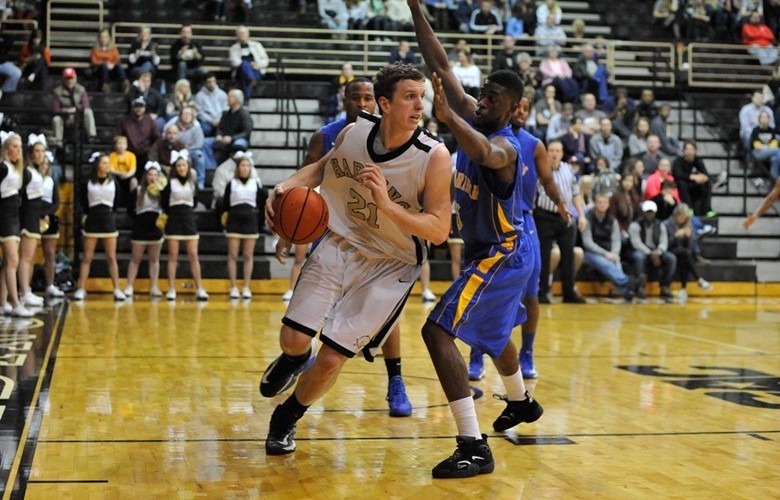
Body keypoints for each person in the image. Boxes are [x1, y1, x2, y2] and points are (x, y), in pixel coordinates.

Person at [261, 61, 451, 457]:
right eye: (410, 97)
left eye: (422, 97)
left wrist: (386, 205)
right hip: (342, 242)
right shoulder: (354, 131)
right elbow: (321, 168)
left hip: (392, 264)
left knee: (331, 358)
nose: (420, 105)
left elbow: (438, 230)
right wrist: (284, 189)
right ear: (385, 103)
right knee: (294, 338)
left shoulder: (433, 155)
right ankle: (295, 358)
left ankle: (287, 416)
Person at [408, 1, 542, 478]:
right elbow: (440, 65)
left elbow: (483, 151)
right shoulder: (472, 114)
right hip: (497, 250)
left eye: (492, 99)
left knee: (437, 331)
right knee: (492, 332)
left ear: (513, 108)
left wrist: (448, 119)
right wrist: (416, 9)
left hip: (505, 252)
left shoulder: (505, 146)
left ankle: (473, 445)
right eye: (481, 95)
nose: (482, 102)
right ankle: (522, 403)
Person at [469, 94, 571, 382]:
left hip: (524, 221)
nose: (523, 112)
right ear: (508, 108)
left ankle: (527, 353)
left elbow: (548, 180)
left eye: (527, 108)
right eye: (519, 107)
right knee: (482, 292)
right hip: (491, 220)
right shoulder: (487, 138)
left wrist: (561, 202)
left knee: (531, 293)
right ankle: (476, 355)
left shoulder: (534, 144)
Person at [536, 140, 588, 304]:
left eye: (557, 151)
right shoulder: (540, 168)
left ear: (562, 153)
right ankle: (542, 292)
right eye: (551, 150)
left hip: (565, 216)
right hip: (545, 215)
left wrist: (581, 215)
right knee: (544, 255)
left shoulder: (569, 170)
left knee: (568, 255)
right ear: (547, 152)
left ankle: (569, 293)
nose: (554, 153)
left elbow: (576, 194)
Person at [74, 153, 126, 301]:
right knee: (87, 257)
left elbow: (117, 203)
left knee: (111, 257)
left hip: (108, 220)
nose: (107, 166)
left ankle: (116, 289)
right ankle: (81, 288)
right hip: (93, 219)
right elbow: (83, 201)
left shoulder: (114, 182)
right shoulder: (87, 182)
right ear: (97, 165)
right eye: (104, 163)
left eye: (108, 163)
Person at [160, 150, 208, 301]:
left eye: (184, 165)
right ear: (175, 167)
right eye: (179, 165)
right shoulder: (170, 183)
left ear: (188, 167)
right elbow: (164, 204)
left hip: (188, 220)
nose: (181, 168)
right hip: (174, 220)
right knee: (173, 256)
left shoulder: (192, 183)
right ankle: (171, 289)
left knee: (193, 255)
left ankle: (199, 288)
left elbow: (195, 202)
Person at [0, 132, 33, 317]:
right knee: (13, 260)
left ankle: (2, 302)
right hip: (5, 216)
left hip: (13, 216)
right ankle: (15, 303)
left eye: (20, 147)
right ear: (6, 149)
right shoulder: (3, 168)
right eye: (14, 146)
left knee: (8, 262)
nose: (18, 150)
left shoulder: (17, 169)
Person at [221, 152, 262, 300]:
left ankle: (246, 287)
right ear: (238, 168)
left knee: (247, 255)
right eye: (242, 165)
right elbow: (224, 204)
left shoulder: (255, 184)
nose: (244, 168)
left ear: (250, 168)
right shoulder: (230, 184)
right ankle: (233, 287)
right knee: (232, 255)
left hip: (250, 220)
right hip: (234, 221)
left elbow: (261, 203)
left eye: (247, 165)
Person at [124, 161, 166, 298]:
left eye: (155, 175)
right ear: (145, 176)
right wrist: (138, 220)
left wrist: (163, 190)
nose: (152, 177)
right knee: (135, 259)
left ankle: (154, 287)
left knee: (154, 260)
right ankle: (129, 286)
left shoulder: (163, 191)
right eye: (150, 174)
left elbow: (167, 206)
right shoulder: (137, 191)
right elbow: (130, 209)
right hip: (140, 227)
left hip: (155, 228)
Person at [581, 193, 633, 302]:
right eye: (599, 202)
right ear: (595, 204)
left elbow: (616, 240)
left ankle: (626, 292)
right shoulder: (588, 219)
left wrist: (614, 254)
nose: (602, 205)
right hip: (589, 253)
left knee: (615, 260)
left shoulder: (612, 220)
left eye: (605, 202)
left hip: (609, 252)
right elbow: (588, 243)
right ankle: (627, 281)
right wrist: (605, 254)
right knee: (603, 262)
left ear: (609, 205)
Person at [17, 134, 47, 307]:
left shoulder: (36, 171)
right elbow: (19, 196)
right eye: (37, 151)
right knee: (26, 257)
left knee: (30, 257)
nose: (40, 154)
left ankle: (26, 290)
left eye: (42, 151)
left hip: (34, 217)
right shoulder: (27, 172)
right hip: (27, 217)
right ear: (30, 152)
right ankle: (24, 292)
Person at [628, 200, 677, 301]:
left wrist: (658, 252)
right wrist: (650, 253)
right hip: (642, 250)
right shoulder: (635, 225)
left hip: (656, 251)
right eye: (647, 212)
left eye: (651, 212)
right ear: (643, 212)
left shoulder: (661, 225)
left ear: (655, 213)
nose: (649, 214)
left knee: (671, 258)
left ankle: (665, 286)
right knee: (638, 257)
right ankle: (641, 286)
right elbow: (636, 243)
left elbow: (664, 242)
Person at [665, 202, 712, 304]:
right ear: (676, 215)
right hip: (669, 250)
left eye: (684, 216)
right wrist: (676, 236)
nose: (682, 218)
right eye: (680, 216)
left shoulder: (688, 225)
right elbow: (665, 244)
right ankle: (699, 280)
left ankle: (683, 289)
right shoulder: (667, 224)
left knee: (685, 257)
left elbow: (691, 246)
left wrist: (688, 237)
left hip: (683, 252)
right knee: (685, 255)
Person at [204, 89, 252, 166]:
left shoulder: (245, 115)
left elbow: (246, 132)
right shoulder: (225, 114)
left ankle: (237, 166)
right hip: (223, 138)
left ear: (237, 99)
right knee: (205, 143)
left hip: (237, 139)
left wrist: (232, 138)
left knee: (239, 144)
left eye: (230, 97)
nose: (227, 99)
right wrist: (218, 135)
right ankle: (211, 166)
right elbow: (220, 127)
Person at [38, 150, 63, 298]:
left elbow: (57, 202)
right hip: (33, 217)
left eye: (47, 164)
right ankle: (25, 288)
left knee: (50, 254)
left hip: (48, 218)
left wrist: (47, 214)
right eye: (42, 163)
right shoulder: (31, 177)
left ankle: (50, 285)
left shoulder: (51, 180)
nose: (44, 166)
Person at [51, 68, 97, 147]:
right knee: (56, 119)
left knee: (88, 111)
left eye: (71, 78)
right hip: (65, 117)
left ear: (75, 78)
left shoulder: (81, 89)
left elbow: (86, 105)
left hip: (78, 116)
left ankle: (92, 137)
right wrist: (66, 111)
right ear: (63, 79)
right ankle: (58, 143)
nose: (69, 81)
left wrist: (76, 109)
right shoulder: (57, 91)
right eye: (67, 78)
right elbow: (56, 109)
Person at [115, 96, 160, 174]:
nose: (138, 109)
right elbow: (117, 136)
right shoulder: (124, 121)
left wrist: (151, 151)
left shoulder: (149, 120)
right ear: (132, 107)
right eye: (136, 106)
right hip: (128, 153)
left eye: (141, 106)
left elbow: (157, 137)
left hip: (146, 154)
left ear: (144, 108)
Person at [672, 140, 715, 217]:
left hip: (696, 186)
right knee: (681, 183)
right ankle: (689, 209)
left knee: (708, 183)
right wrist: (692, 177)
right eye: (687, 149)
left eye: (691, 149)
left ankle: (707, 209)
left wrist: (703, 178)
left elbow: (705, 175)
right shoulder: (678, 161)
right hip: (684, 186)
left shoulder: (698, 161)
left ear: (695, 151)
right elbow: (678, 174)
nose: (689, 152)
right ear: (684, 151)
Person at [229, 26, 269, 99]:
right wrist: (247, 65)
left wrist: (258, 64)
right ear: (237, 35)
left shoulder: (257, 45)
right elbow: (233, 61)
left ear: (248, 34)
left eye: (243, 33)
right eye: (240, 33)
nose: (242, 35)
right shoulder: (233, 48)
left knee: (245, 79)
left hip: (256, 69)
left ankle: (247, 96)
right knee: (245, 64)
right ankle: (251, 79)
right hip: (240, 70)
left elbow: (265, 60)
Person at [90, 28, 129, 94]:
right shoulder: (95, 49)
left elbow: (117, 59)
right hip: (100, 70)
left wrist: (111, 64)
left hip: (112, 69)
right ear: (99, 38)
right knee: (104, 65)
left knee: (118, 65)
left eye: (105, 37)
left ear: (108, 38)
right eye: (102, 37)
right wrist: (105, 63)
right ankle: (105, 86)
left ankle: (125, 83)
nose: (104, 39)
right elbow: (94, 61)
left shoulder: (113, 48)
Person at [108, 135, 137, 206]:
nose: (120, 146)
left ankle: (133, 204)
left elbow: (133, 169)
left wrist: (126, 175)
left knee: (134, 181)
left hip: (128, 176)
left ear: (126, 145)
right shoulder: (112, 155)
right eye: (118, 143)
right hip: (116, 176)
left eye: (123, 143)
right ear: (115, 146)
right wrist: (120, 173)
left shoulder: (131, 155)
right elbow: (111, 169)